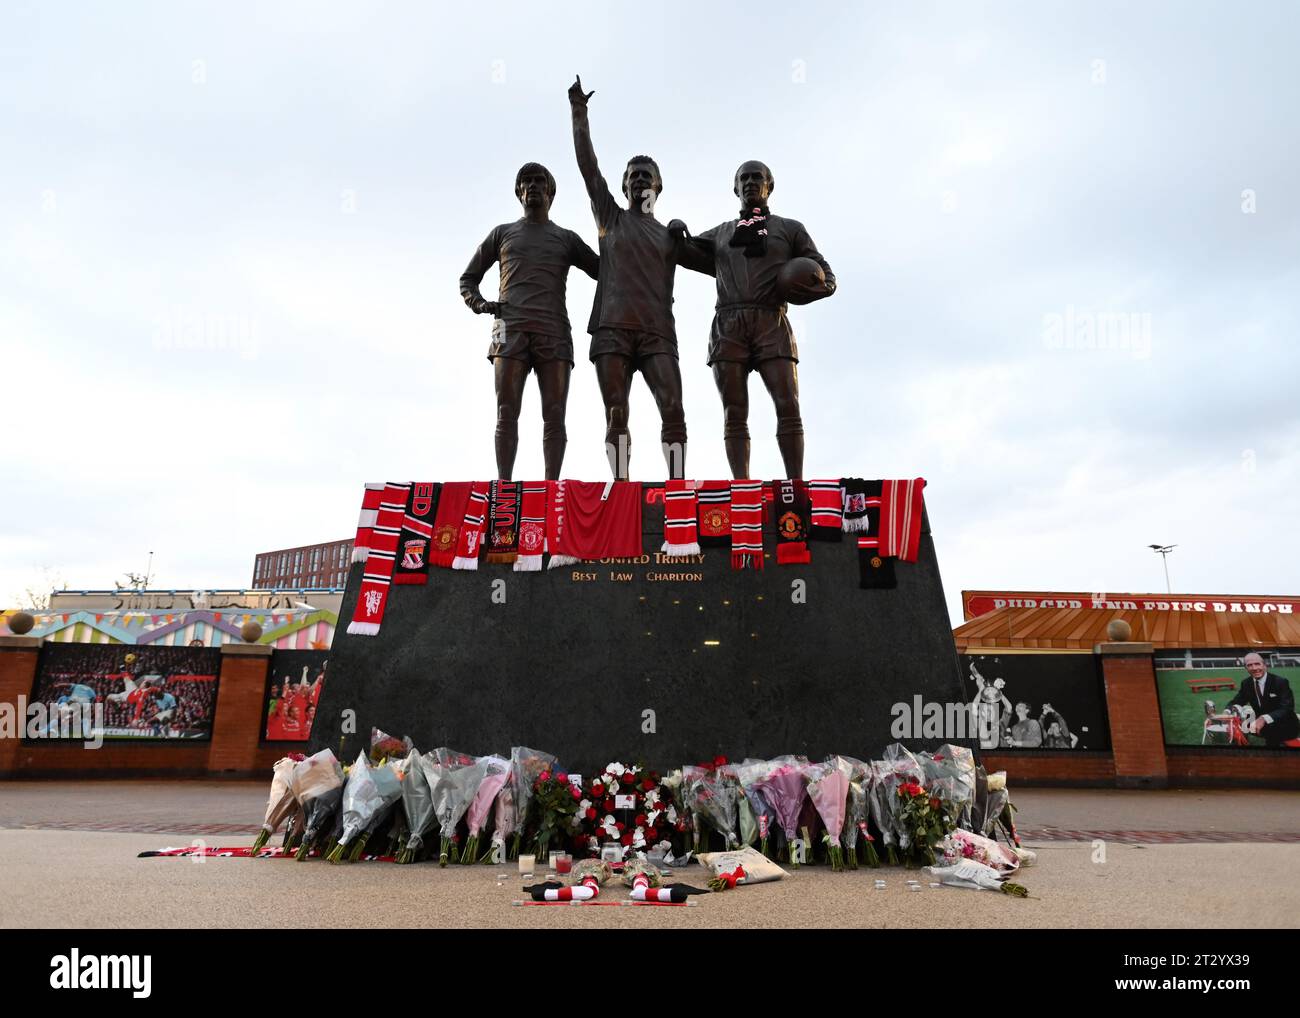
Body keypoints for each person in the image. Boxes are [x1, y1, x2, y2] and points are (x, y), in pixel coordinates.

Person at [569, 75, 706, 480]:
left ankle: (678, 482)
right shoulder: (609, 217)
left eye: (647, 175)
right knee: (616, 413)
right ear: (625, 184)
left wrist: (689, 235)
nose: (640, 180)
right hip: (612, 329)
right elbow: (587, 166)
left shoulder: (670, 236)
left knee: (674, 409)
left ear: (659, 186)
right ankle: (622, 484)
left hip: (657, 332)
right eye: (634, 175)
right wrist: (579, 112)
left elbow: (718, 263)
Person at [672, 160, 835, 479]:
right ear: (735, 188)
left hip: (771, 320)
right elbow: (686, 253)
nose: (750, 182)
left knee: (788, 403)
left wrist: (815, 289)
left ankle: (795, 482)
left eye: (757, 177)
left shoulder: (790, 229)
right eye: (743, 178)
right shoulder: (721, 234)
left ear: (769, 186)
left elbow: (825, 273)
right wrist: (678, 235)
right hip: (728, 325)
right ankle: (741, 484)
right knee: (734, 411)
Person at [460, 163, 600, 480]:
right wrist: (479, 303)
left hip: (554, 330)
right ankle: (505, 483)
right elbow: (468, 279)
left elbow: (604, 271)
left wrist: (626, 249)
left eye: (539, 180)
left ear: (551, 191)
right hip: (508, 329)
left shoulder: (566, 238)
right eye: (526, 181)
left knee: (554, 414)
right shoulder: (502, 233)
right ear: (518, 191)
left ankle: (551, 484)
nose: (532, 185)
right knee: (506, 411)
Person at [1227, 653, 1300, 747]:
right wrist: (1227, 711)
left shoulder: (1280, 682)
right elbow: (1237, 701)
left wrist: (1264, 718)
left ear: (1264, 665)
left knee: (1272, 746)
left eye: (1257, 664)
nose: (1254, 668)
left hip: (1285, 725)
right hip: (1260, 723)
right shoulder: (1246, 683)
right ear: (1246, 668)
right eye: (1250, 665)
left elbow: (1287, 708)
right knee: (1237, 725)